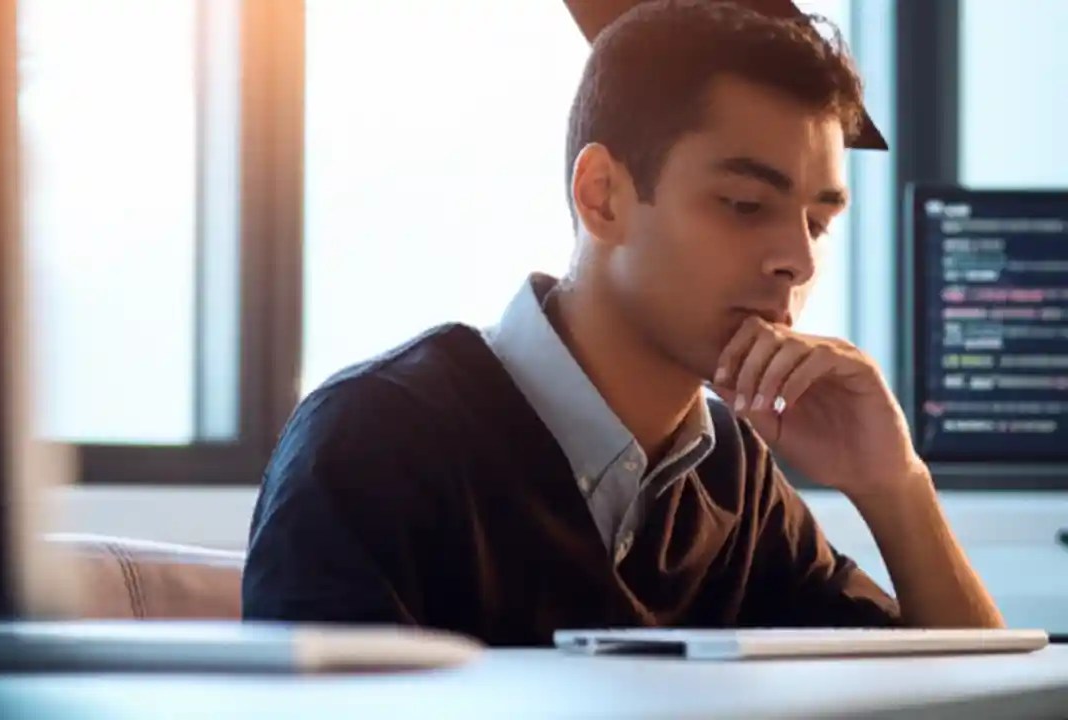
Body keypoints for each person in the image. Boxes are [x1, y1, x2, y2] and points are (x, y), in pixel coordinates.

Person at [242, 0, 1004, 645]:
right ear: (602, 195)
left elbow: (986, 705)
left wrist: (895, 487)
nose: (798, 261)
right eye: (745, 205)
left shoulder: (732, 476)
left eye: (819, 221)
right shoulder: (372, 442)